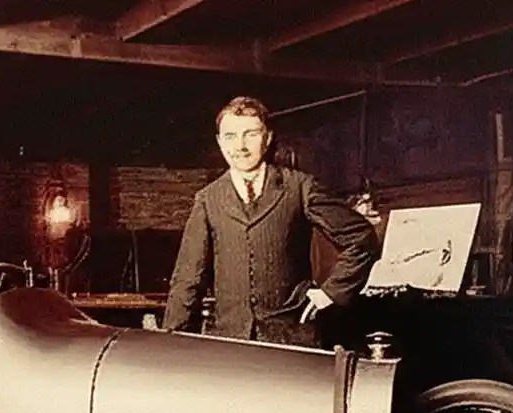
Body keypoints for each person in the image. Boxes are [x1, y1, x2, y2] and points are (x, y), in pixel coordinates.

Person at [162, 96, 381, 348]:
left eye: (251, 134)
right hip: (230, 343)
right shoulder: (207, 199)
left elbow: (362, 239)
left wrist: (330, 293)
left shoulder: (299, 187)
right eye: (231, 136)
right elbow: (188, 278)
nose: (240, 146)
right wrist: (171, 342)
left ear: (267, 138)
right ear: (220, 142)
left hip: (293, 340)